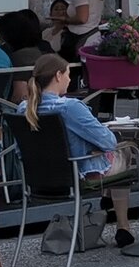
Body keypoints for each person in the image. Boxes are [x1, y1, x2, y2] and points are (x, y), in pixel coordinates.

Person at [19, 52, 132, 245]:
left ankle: (108, 197)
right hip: (78, 176)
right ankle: (123, 225)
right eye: (68, 74)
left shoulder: (23, 109)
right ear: (58, 75)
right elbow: (109, 142)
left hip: (38, 180)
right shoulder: (70, 107)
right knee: (127, 150)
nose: (70, 79)